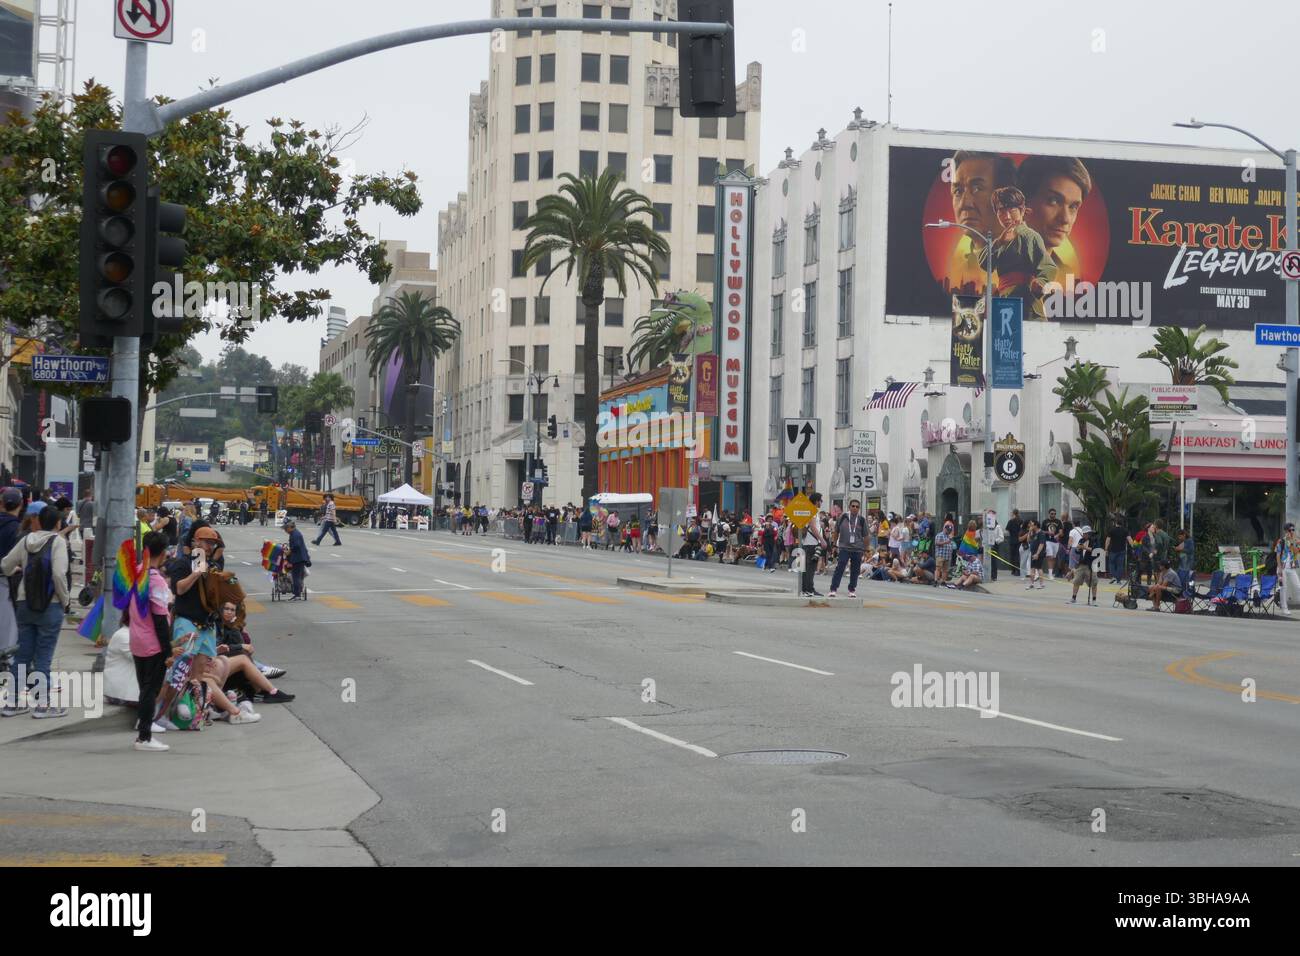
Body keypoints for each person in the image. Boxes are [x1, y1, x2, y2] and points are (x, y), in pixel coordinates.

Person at [0, 505, 71, 718]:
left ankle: (12, 702)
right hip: (50, 605)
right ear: (58, 523)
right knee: (43, 656)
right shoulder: (58, 541)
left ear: (38, 521)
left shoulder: (26, 540)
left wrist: (18, 569)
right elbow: (58, 574)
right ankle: (42, 705)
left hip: (24, 603)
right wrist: (65, 600)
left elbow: (5, 565)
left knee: (22, 655)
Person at [128, 532, 173, 751]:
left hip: (137, 639)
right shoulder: (155, 580)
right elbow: (160, 619)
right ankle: (144, 737)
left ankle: (144, 734)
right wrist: (168, 651)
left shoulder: (137, 572)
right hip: (153, 643)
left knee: (144, 688)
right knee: (150, 690)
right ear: (163, 553)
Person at [828, 499, 867, 598]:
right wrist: (834, 545)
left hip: (857, 549)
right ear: (849, 507)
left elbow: (866, 536)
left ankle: (852, 589)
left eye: (857, 507)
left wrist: (865, 549)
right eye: (853, 506)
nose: (855, 508)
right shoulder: (842, 517)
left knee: (855, 571)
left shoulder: (862, 520)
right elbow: (836, 532)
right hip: (844, 548)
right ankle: (833, 589)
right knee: (840, 568)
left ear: (859, 508)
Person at [800, 492, 827, 597]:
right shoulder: (812, 511)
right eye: (821, 500)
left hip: (807, 543)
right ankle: (809, 589)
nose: (821, 502)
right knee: (810, 567)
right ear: (816, 501)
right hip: (812, 543)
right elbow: (813, 527)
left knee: (806, 568)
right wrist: (822, 539)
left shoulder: (808, 511)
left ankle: (805, 589)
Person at [1069, 527, 1099, 606]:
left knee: (1093, 582)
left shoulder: (1094, 540)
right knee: (1076, 581)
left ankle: (1094, 600)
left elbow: (1096, 551)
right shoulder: (1081, 540)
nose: (1083, 535)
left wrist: (1085, 547)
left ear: (1089, 534)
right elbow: (1078, 551)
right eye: (1083, 534)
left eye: (1085, 534)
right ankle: (1073, 598)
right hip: (1082, 563)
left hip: (1091, 564)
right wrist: (1078, 548)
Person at [283, 519, 311, 600]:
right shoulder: (294, 533)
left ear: (290, 527)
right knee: (298, 576)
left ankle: (297, 594)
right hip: (299, 557)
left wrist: (289, 551)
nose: (285, 530)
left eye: (286, 528)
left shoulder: (295, 534)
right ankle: (298, 593)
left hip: (298, 558)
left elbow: (296, 546)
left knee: (296, 576)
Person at [1277, 523, 1300, 617]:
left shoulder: (1296, 541)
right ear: (1286, 531)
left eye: (1293, 530)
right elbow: (1278, 555)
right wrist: (1279, 568)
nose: (1292, 532)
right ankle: (1284, 608)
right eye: (1290, 530)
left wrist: (1292, 542)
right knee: (1284, 588)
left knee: (1298, 586)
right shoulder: (1281, 541)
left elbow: (1296, 552)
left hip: (1291, 567)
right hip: (1282, 567)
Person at [1042, 508, 1062, 580]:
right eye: (1052, 514)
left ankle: (1050, 573)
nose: (1053, 515)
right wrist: (1048, 532)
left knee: (1053, 557)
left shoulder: (1058, 521)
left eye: (1054, 514)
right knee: (1050, 556)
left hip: (1056, 542)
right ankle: (1050, 574)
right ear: (1049, 514)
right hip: (1048, 541)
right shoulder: (1045, 521)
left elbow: (1061, 532)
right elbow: (1041, 531)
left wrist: (1058, 535)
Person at [1026, 520, 1046, 589]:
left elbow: (1041, 544)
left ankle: (1041, 584)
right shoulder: (1033, 533)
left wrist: (1037, 554)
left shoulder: (1041, 533)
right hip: (1033, 553)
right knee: (1032, 568)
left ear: (1036, 526)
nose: (1031, 526)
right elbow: (1028, 540)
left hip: (1039, 553)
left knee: (1039, 568)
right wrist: (1029, 532)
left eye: (1032, 525)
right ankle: (1031, 583)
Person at [1004, 509, 1023, 577]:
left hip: (1012, 540)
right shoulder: (1021, 521)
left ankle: (1013, 570)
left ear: (1013, 513)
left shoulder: (1011, 521)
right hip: (1019, 540)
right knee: (1017, 556)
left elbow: (1007, 529)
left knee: (1013, 556)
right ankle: (1018, 570)